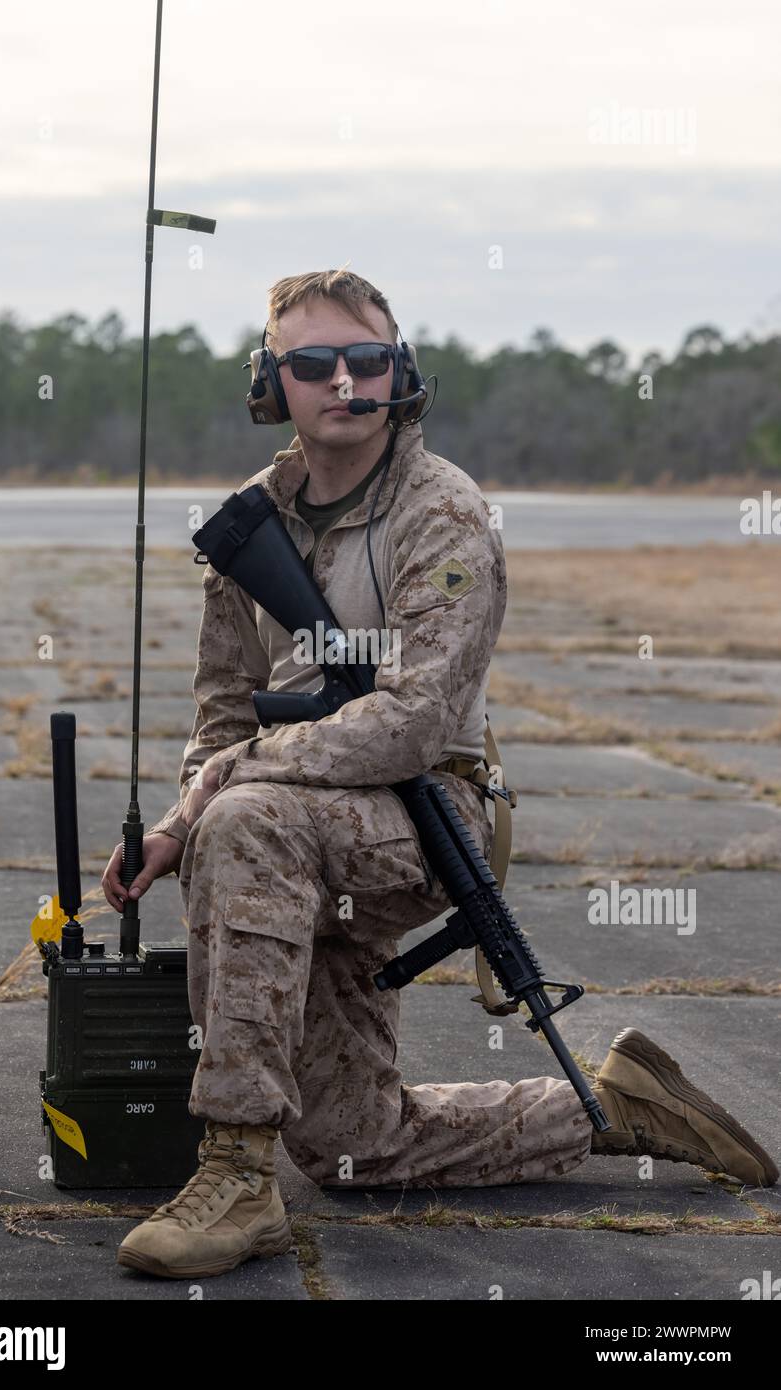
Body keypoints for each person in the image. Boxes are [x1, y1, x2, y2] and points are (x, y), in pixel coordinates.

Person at [102, 269, 777, 1281]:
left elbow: (413, 726)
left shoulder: (444, 513)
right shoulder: (248, 528)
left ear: (399, 370)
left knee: (244, 823)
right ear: (271, 381)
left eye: (366, 359)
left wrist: (223, 786)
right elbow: (222, 717)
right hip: (296, 820)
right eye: (313, 363)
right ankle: (618, 1107)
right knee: (348, 1144)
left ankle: (235, 1173)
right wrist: (171, 819)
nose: (343, 381)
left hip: (431, 816)